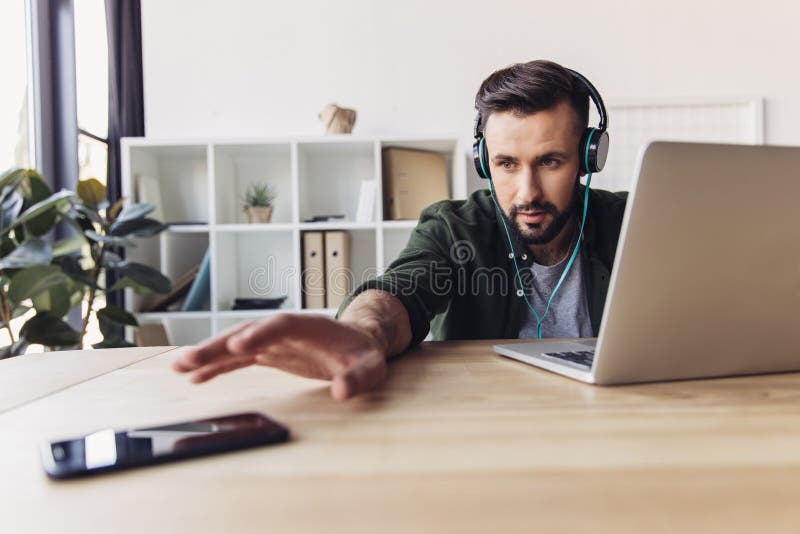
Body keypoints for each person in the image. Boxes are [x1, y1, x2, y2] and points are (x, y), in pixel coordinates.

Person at [172, 60, 627, 400]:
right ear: (484, 161)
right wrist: (362, 332)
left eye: (549, 161)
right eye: (505, 164)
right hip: (489, 417)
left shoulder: (632, 219)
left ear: (588, 158)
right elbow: (400, 292)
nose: (527, 192)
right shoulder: (455, 227)